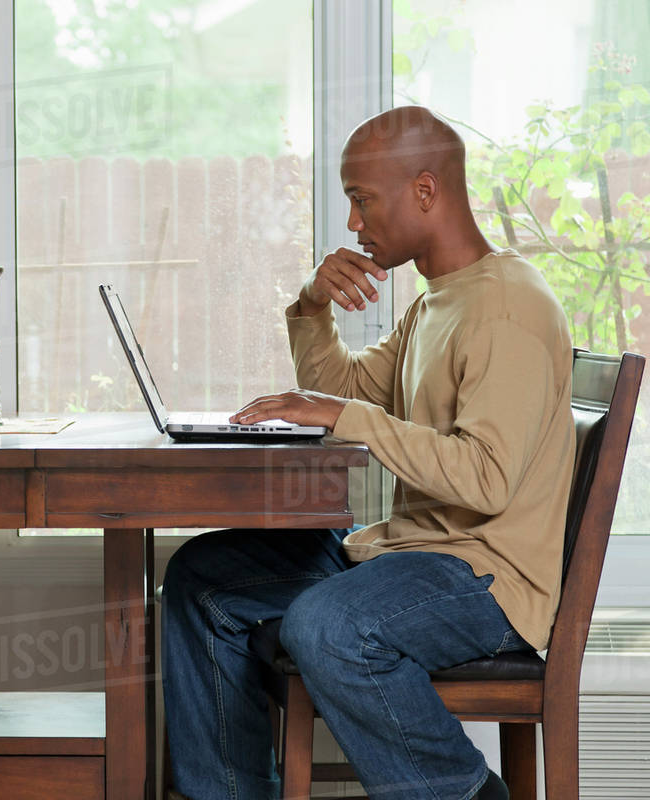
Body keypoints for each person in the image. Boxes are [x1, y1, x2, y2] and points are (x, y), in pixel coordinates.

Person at [161, 105, 575, 800]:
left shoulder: (508, 308)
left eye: (362, 200)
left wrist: (345, 414)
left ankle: (466, 792)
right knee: (204, 581)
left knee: (328, 625)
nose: (353, 224)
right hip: (407, 553)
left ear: (424, 191)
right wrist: (312, 305)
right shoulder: (440, 301)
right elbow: (344, 392)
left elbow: (487, 478)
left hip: (486, 579)